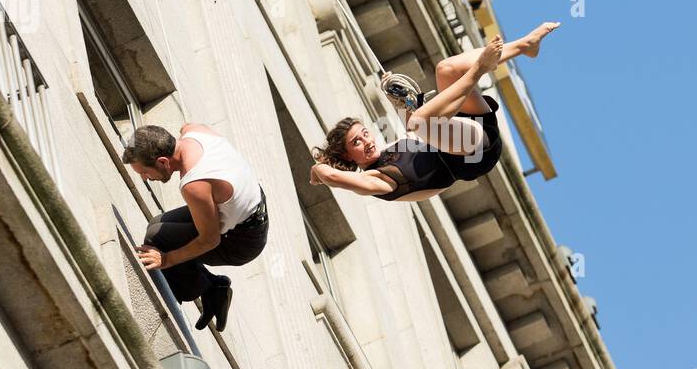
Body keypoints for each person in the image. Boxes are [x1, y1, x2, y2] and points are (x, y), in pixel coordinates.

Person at [309, 22, 559, 202]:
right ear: (348, 156)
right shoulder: (377, 181)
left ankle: (525, 46)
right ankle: (481, 68)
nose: (366, 141)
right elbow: (331, 175)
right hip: (473, 156)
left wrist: (402, 100)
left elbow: (424, 135)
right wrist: (318, 171)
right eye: (356, 142)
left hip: (468, 130)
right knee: (419, 123)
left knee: (446, 69)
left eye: (364, 134)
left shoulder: (390, 149)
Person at [123, 123, 267, 332]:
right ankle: (214, 287)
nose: (145, 178)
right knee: (156, 224)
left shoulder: (194, 183)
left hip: (242, 241)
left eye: (144, 172)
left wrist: (167, 260)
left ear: (163, 162)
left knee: (158, 239)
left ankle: (192, 295)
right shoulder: (193, 131)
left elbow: (210, 240)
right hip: (247, 212)